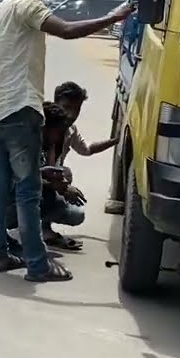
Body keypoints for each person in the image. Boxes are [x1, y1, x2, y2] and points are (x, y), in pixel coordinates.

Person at [0, 0, 133, 281]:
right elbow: (67, 30)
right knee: (27, 190)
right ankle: (37, 265)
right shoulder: (27, 5)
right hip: (18, 107)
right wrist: (114, 17)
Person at [0, 101, 79, 256]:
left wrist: (55, 179)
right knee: (33, 194)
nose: (58, 137)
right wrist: (53, 183)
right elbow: (17, 178)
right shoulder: (20, 143)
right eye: (56, 132)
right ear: (44, 128)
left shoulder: (36, 143)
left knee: (54, 201)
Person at [43, 81, 119, 250]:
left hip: (48, 183)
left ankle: (41, 223)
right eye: (66, 107)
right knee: (62, 176)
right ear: (56, 104)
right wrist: (61, 187)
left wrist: (114, 141)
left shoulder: (71, 131)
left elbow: (87, 149)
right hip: (33, 182)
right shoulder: (43, 126)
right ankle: (39, 228)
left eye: (76, 109)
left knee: (76, 215)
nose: (70, 114)